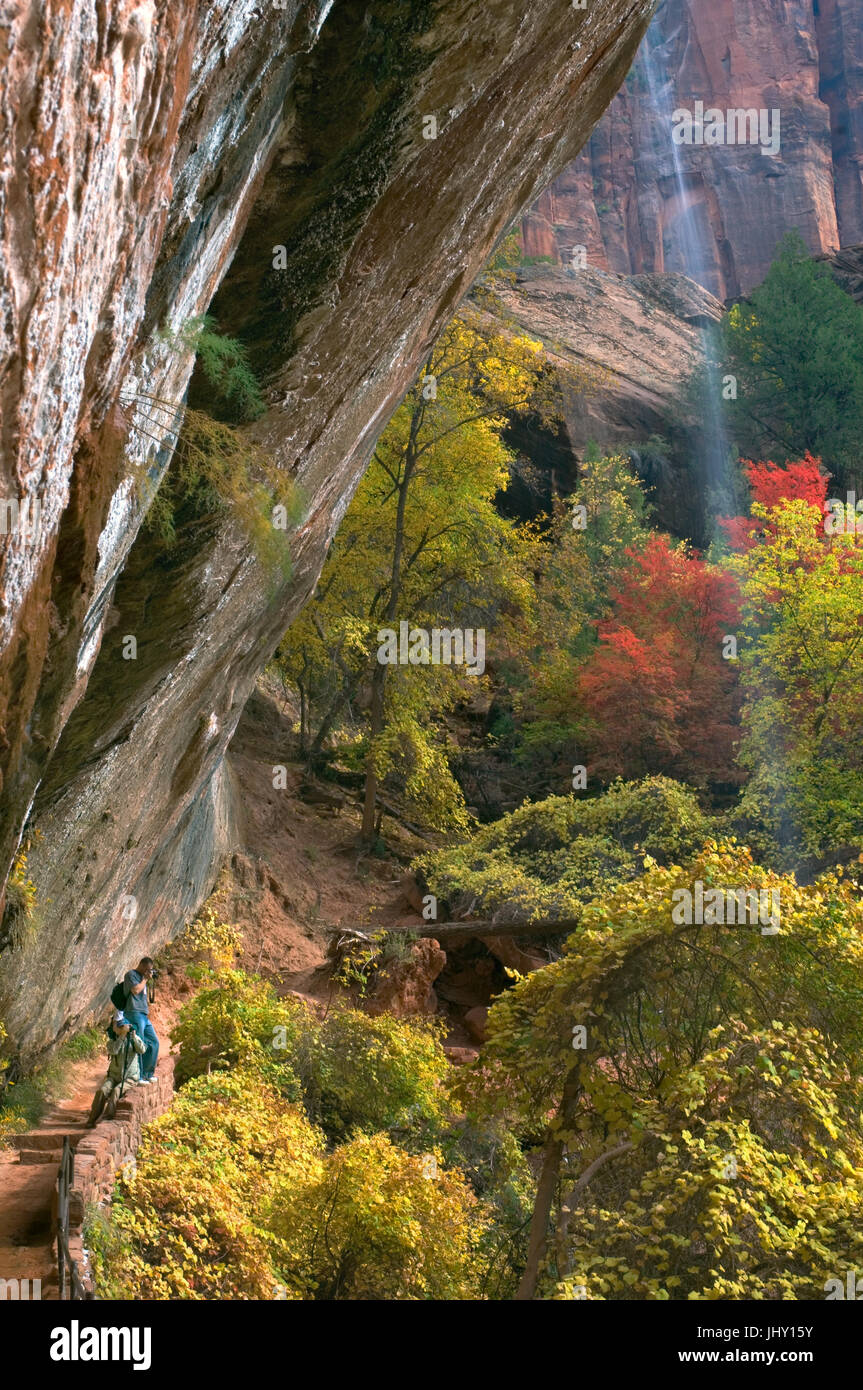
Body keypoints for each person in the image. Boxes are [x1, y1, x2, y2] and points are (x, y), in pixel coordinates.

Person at [86, 1012, 146, 1127]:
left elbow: (142, 1050)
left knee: (116, 1091)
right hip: (114, 1076)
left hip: (130, 1077)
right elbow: (114, 1051)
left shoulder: (133, 1038)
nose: (118, 1028)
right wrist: (122, 1037)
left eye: (120, 1025)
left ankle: (108, 1118)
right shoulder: (112, 1040)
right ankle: (92, 1119)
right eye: (117, 1026)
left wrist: (133, 1037)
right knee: (102, 1091)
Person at [122, 956, 159, 1083]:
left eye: (151, 970)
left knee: (154, 1042)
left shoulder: (144, 978)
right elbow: (135, 990)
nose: (149, 972)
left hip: (143, 1014)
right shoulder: (130, 975)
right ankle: (138, 1076)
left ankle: (148, 1074)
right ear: (142, 966)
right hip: (133, 1013)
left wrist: (148, 980)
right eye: (148, 969)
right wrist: (145, 979)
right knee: (139, 1043)